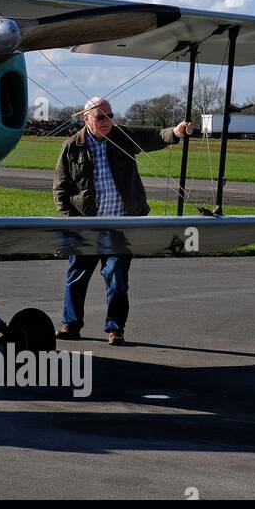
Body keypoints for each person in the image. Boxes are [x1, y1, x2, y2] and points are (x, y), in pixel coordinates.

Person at [52, 96, 194, 346]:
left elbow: (152, 137)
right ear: (86, 119)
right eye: (100, 117)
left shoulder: (122, 136)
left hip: (121, 225)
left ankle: (115, 328)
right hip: (87, 227)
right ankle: (71, 324)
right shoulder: (71, 146)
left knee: (117, 278)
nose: (106, 122)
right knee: (77, 276)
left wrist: (175, 131)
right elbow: (60, 189)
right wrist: (72, 221)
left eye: (110, 116)